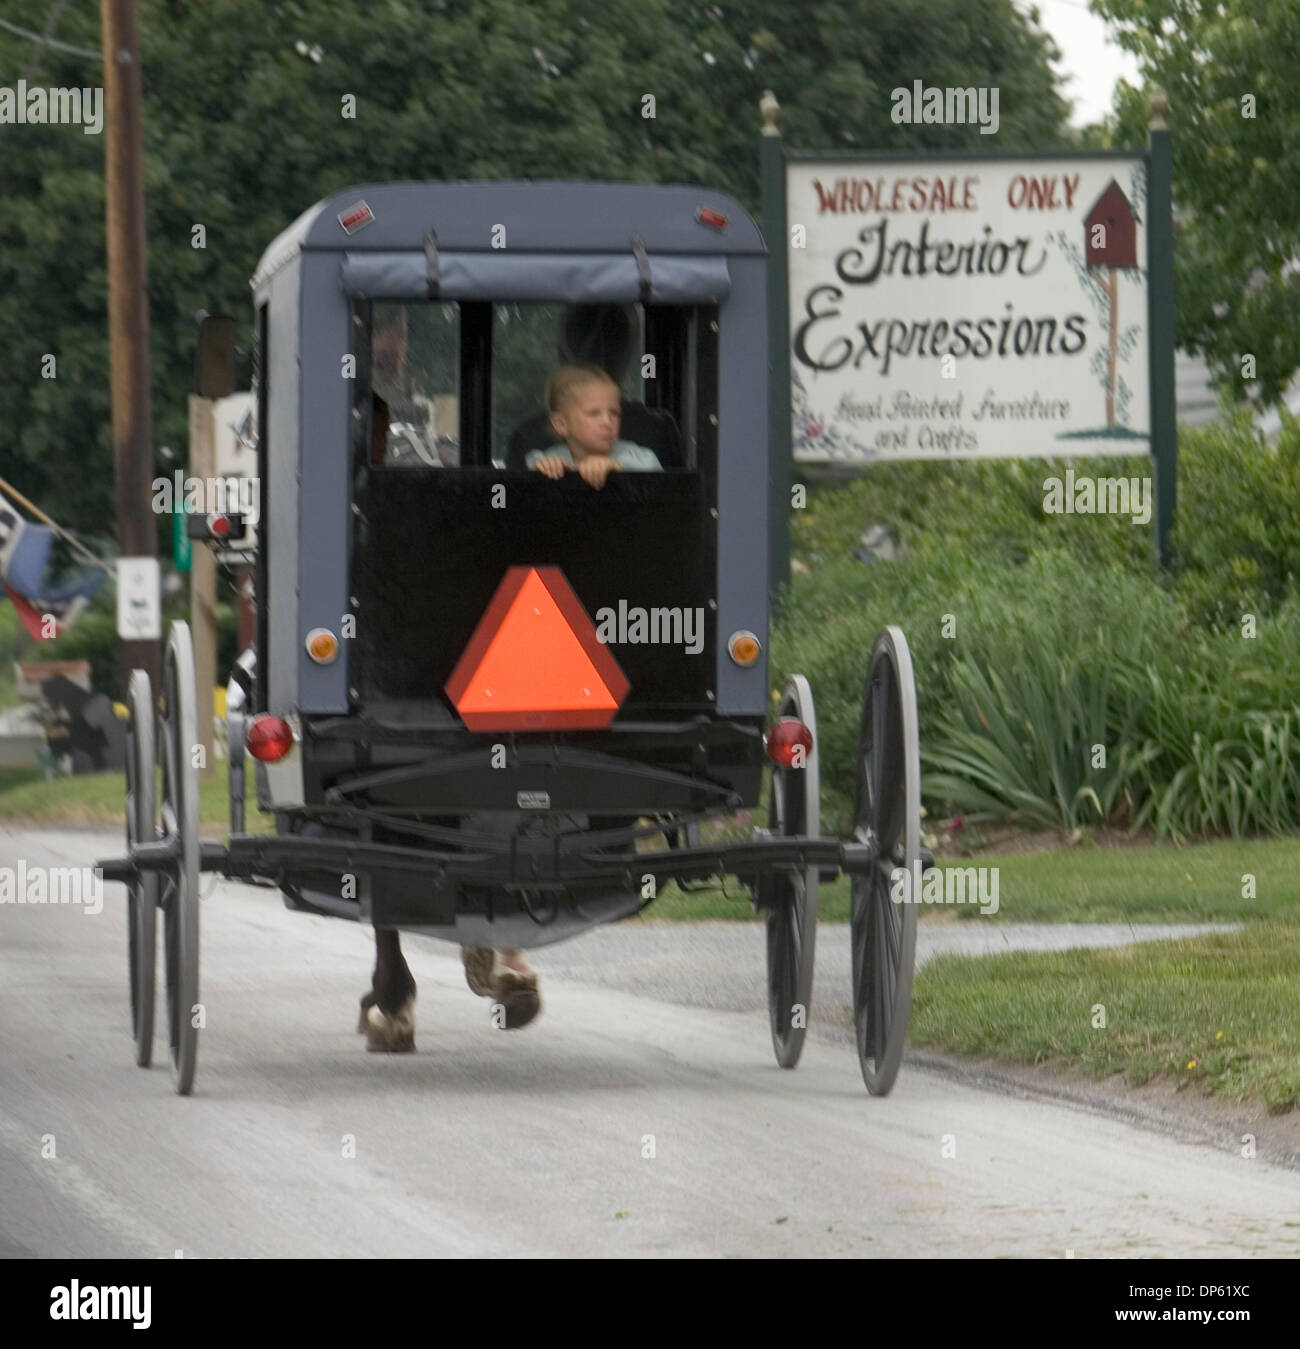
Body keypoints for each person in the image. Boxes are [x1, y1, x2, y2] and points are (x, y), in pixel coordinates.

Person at [527, 363, 663, 487]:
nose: (607, 422)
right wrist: (546, 470)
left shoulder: (638, 458)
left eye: (614, 413)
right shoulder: (554, 458)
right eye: (593, 413)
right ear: (561, 424)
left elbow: (660, 488)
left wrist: (618, 470)